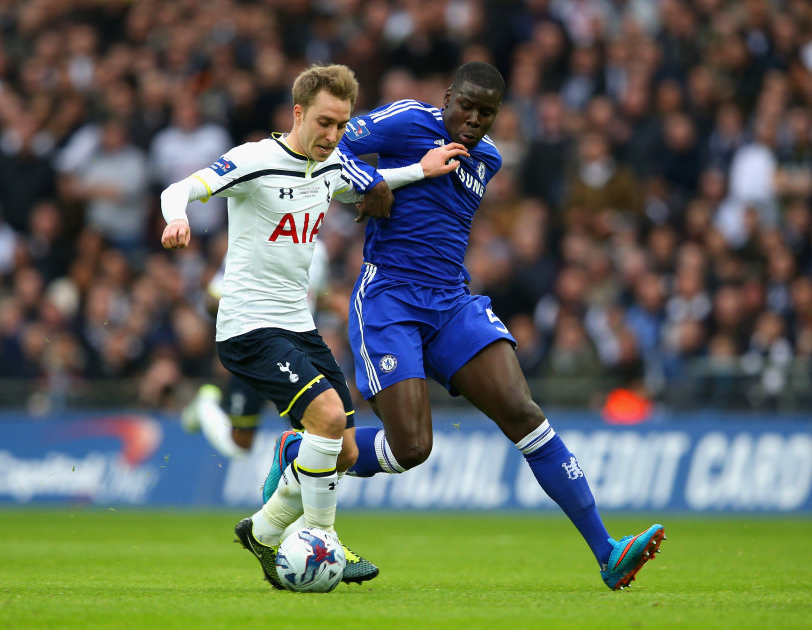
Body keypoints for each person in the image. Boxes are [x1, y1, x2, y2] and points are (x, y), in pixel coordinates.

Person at [267, 62, 665, 591]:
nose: (474, 120)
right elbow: (329, 143)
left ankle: (607, 552)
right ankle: (301, 452)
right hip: (390, 301)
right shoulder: (409, 120)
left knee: (524, 413)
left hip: (452, 303)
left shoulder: (490, 159)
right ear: (448, 96)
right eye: (467, 106)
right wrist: (373, 181)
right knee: (411, 448)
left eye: (487, 113)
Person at [160, 64, 468, 589]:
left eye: (343, 125)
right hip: (248, 327)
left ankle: (262, 530)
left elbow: (368, 182)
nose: (333, 136)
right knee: (326, 418)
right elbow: (181, 187)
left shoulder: (329, 167)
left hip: (296, 325)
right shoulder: (257, 159)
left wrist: (423, 167)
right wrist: (177, 216)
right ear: (298, 113)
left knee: (345, 450)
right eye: (325, 123)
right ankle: (324, 541)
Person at [180, 242, 330, 461]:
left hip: (297, 352)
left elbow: (318, 296)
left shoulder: (318, 250)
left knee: (317, 431)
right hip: (256, 350)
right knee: (241, 445)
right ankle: (206, 407)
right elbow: (212, 301)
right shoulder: (250, 241)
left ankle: (294, 487)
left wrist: (338, 306)